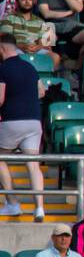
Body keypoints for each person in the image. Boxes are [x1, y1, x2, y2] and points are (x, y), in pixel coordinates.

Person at [0, 32, 44, 219]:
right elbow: (41, 92)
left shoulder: (2, 69)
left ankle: (13, 203)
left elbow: (0, 98)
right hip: (34, 122)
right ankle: (40, 208)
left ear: (2, 48)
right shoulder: (30, 67)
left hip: (12, 121)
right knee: (33, 164)